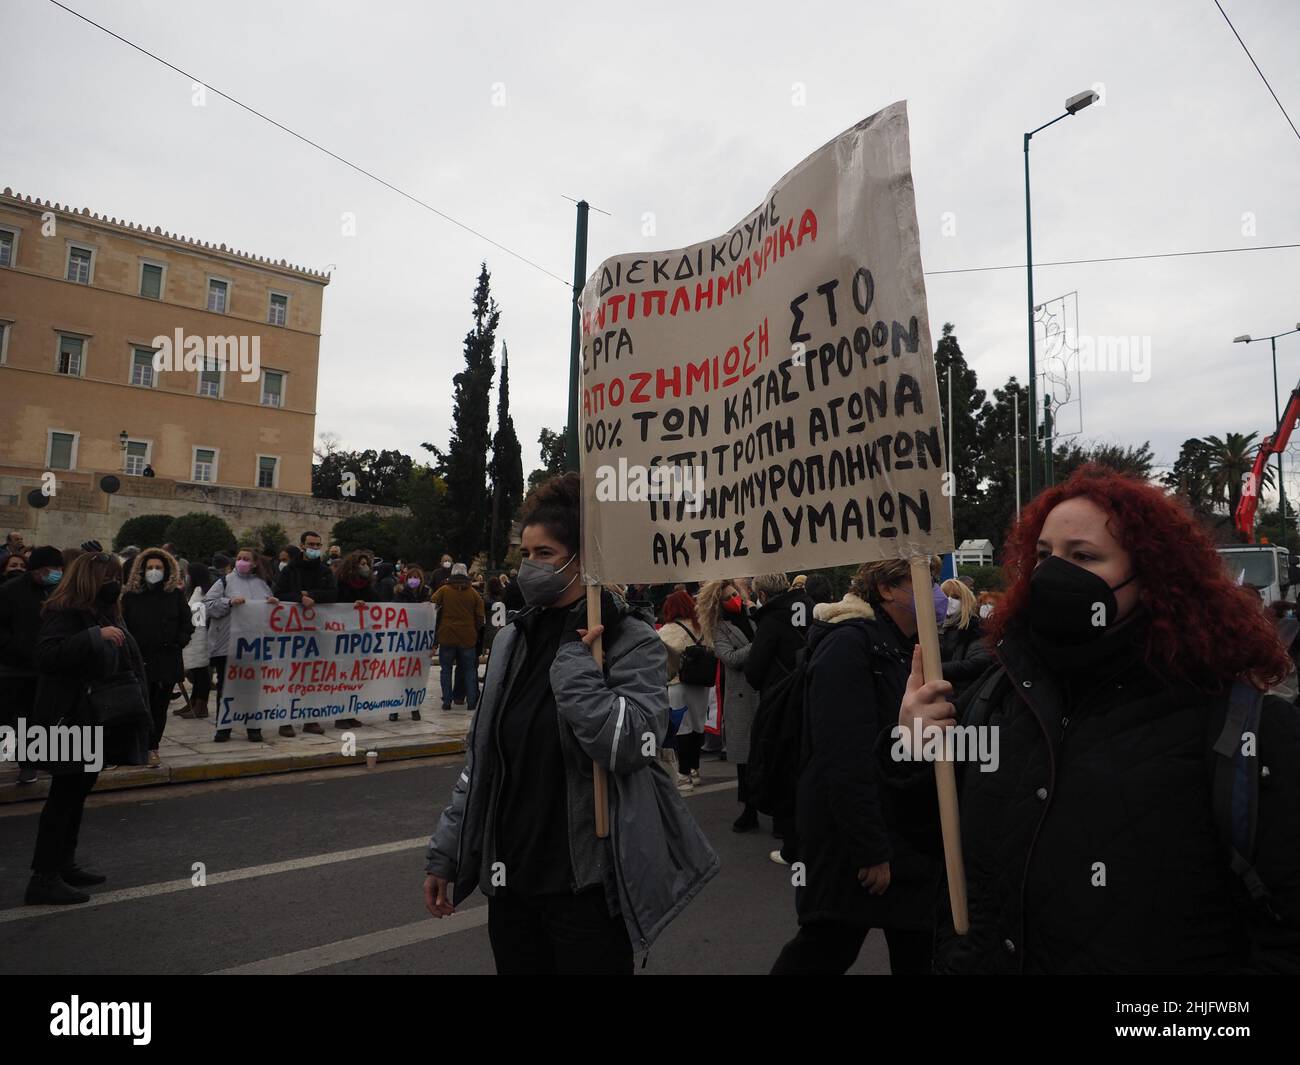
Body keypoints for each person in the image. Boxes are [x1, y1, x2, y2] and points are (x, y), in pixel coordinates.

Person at [894, 465, 1300, 973]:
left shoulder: (1242, 727)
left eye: (1083, 556)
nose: (1053, 573)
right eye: (1043, 556)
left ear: (1152, 577)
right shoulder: (997, 695)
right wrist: (914, 749)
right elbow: (935, 844)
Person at [422, 472, 718, 973]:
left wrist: (578, 673)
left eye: (545, 555)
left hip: (585, 890)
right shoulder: (513, 640)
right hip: (510, 885)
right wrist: (447, 851)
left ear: (585, 560)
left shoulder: (629, 640)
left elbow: (634, 745)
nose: (528, 568)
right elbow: (483, 759)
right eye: (525, 554)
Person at [770, 557, 944, 975]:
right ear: (886, 588)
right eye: (924, 579)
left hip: (902, 835)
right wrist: (870, 849)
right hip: (853, 842)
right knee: (827, 946)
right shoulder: (849, 645)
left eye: (935, 579)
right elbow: (844, 755)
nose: (935, 591)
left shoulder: (906, 645)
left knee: (922, 947)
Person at [27, 551, 151, 905]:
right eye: (109, 576)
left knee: (78, 791)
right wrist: (95, 636)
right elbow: (47, 656)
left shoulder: (101, 610)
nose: (115, 583)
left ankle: (62, 864)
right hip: (67, 717)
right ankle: (43, 876)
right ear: (90, 578)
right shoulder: (66, 610)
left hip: (88, 715)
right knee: (63, 797)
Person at [744, 572, 814, 855]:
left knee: (781, 763)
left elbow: (754, 670)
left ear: (761, 595)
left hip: (779, 700)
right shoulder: (812, 606)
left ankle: (789, 838)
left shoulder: (770, 620)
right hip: (811, 693)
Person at [121, 547, 193, 767]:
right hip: (138, 660)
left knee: (159, 707)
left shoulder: (175, 595)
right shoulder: (131, 596)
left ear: (167, 569)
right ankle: (135, 746)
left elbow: (187, 623)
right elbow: (123, 624)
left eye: (158, 567)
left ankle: (153, 746)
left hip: (166, 660)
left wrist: (178, 640)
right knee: (138, 705)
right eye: (150, 567)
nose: (154, 571)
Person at [698, 578, 760, 831]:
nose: (733, 599)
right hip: (741, 697)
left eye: (734, 594)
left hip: (761, 691)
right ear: (717, 604)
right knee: (745, 759)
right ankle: (750, 808)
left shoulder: (755, 616)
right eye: (726, 597)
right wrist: (760, 644)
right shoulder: (719, 628)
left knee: (764, 754)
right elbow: (730, 658)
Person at [0, 545, 64, 785]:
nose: (55, 573)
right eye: (50, 569)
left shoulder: (59, 591)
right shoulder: (10, 591)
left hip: (49, 666)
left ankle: (38, 759)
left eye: (59, 568)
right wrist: (14, 647)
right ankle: (24, 760)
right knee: (18, 717)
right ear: (36, 569)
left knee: (44, 715)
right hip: (16, 667)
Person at [206, 547, 273, 742]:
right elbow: (208, 605)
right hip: (227, 644)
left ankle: (253, 726)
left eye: (246, 558)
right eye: (239, 558)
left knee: (252, 689)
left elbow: (269, 613)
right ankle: (223, 727)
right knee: (226, 688)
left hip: (253, 645)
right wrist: (228, 602)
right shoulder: (224, 581)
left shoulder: (262, 584)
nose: (242, 561)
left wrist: (273, 604)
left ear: (254, 563)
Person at [658, 589, 711, 791]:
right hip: (701, 682)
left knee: (682, 728)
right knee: (699, 725)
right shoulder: (702, 627)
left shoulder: (666, 631)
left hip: (678, 683)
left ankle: (683, 773)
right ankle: (695, 770)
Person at [430, 563, 484, 711]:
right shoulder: (474, 593)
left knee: (446, 670)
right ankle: (471, 702)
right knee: (469, 670)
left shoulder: (444, 590)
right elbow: (480, 617)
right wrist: (474, 629)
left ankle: (447, 701)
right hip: (468, 637)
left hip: (447, 636)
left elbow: (432, 604)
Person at [937, 577, 992, 700]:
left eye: (956, 597)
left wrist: (936, 668)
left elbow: (979, 662)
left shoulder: (975, 629)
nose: (949, 600)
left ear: (965, 600)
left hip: (964, 699)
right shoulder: (935, 629)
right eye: (945, 596)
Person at [179, 561, 214, 719]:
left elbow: (198, 617)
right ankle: (194, 701)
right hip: (195, 638)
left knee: (201, 673)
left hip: (200, 638)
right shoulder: (195, 591)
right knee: (196, 671)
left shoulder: (202, 593)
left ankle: (201, 705)